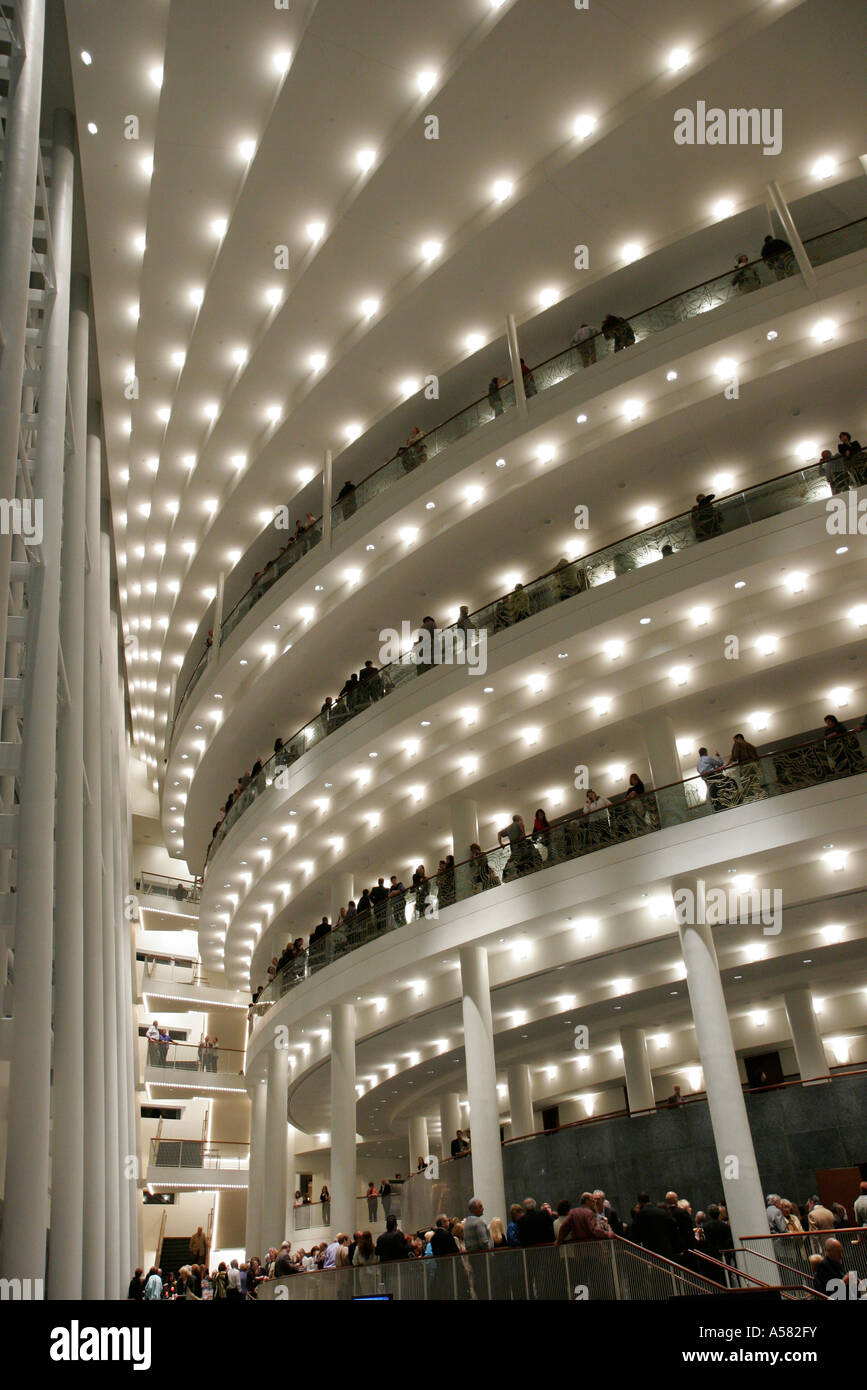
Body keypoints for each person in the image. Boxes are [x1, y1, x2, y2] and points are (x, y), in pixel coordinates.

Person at [629, 1193, 678, 1258]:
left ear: (640, 1202)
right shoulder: (661, 1212)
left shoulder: (640, 1214)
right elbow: (673, 1224)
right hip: (664, 1247)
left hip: (650, 1248)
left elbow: (634, 1231)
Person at [726, 731, 765, 801]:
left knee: (745, 782)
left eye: (735, 740)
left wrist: (726, 765)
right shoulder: (750, 745)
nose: (734, 742)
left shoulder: (738, 744)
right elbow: (756, 757)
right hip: (753, 765)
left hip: (745, 766)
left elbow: (734, 757)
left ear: (739, 738)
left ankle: (750, 798)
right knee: (754, 780)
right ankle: (759, 795)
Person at [697, 746, 735, 811]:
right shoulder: (708, 758)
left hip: (708, 781)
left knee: (714, 791)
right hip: (714, 777)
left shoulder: (698, 765)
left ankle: (718, 806)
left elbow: (702, 774)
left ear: (699, 754)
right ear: (706, 752)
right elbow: (720, 764)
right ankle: (733, 799)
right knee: (731, 781)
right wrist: (718, 756)